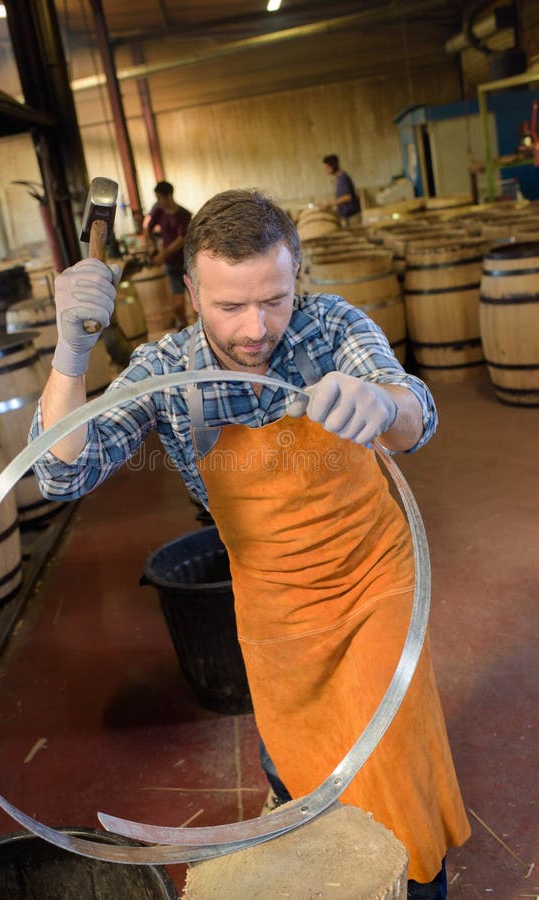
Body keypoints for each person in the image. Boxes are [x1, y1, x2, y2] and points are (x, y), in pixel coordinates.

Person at [32, 188, 470, 899]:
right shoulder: (166, 373)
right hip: (271, 595)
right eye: (229, 306)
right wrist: (71, 357)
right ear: (190, 290)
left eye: (274, 298)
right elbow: (62, 472)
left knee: (389, 756)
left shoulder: (329, 327)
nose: (255, 327)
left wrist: (380, 404)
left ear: (297, 276)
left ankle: (418, 883)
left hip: (372, 573)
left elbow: (413, 415)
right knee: (298, 758)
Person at [144, 181, 192, 328]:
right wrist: (152, 246)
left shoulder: (184, 215)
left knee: (198, 304)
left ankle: (202, 335)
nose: (158, 201)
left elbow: (181, 240)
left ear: (169, 196)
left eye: (160, 198)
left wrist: (162, 255)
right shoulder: (159, 212)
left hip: (187, 264)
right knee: (178, 306)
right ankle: (184, 332)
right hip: (172, 266)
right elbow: (147, 229)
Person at [320, 153, 361, 225]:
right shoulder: (339, 178)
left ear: (332, 166)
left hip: (352, 217)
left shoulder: (343, 178)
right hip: (347, 216)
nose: (326, 170)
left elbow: (347, 197)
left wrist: (329, 204)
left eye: (327, 168)